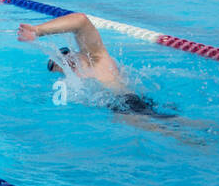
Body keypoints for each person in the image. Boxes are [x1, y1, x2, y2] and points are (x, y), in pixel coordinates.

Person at [18, 13, 176, 119]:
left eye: (63, 55)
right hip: (122, 109)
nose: (63, 62)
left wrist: (38, 30)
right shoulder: (74, 83)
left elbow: (80, 21)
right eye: (58, 66)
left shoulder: (95, 58)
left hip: (129, 104)